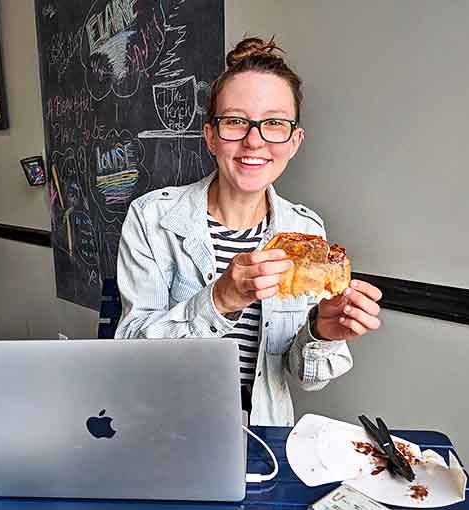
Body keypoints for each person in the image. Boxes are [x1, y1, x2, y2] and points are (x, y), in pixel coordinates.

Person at [115, 37, 382, 426]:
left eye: (274, 123)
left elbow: (304, 376)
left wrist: (322, 331)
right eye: (236, 121)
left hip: (265, 434)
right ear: (210, 136)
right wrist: (220, 299)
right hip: (167, 429)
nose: (254, 140)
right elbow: (130, 356)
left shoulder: (305, 231)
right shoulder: (152, 218)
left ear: (294, 142)